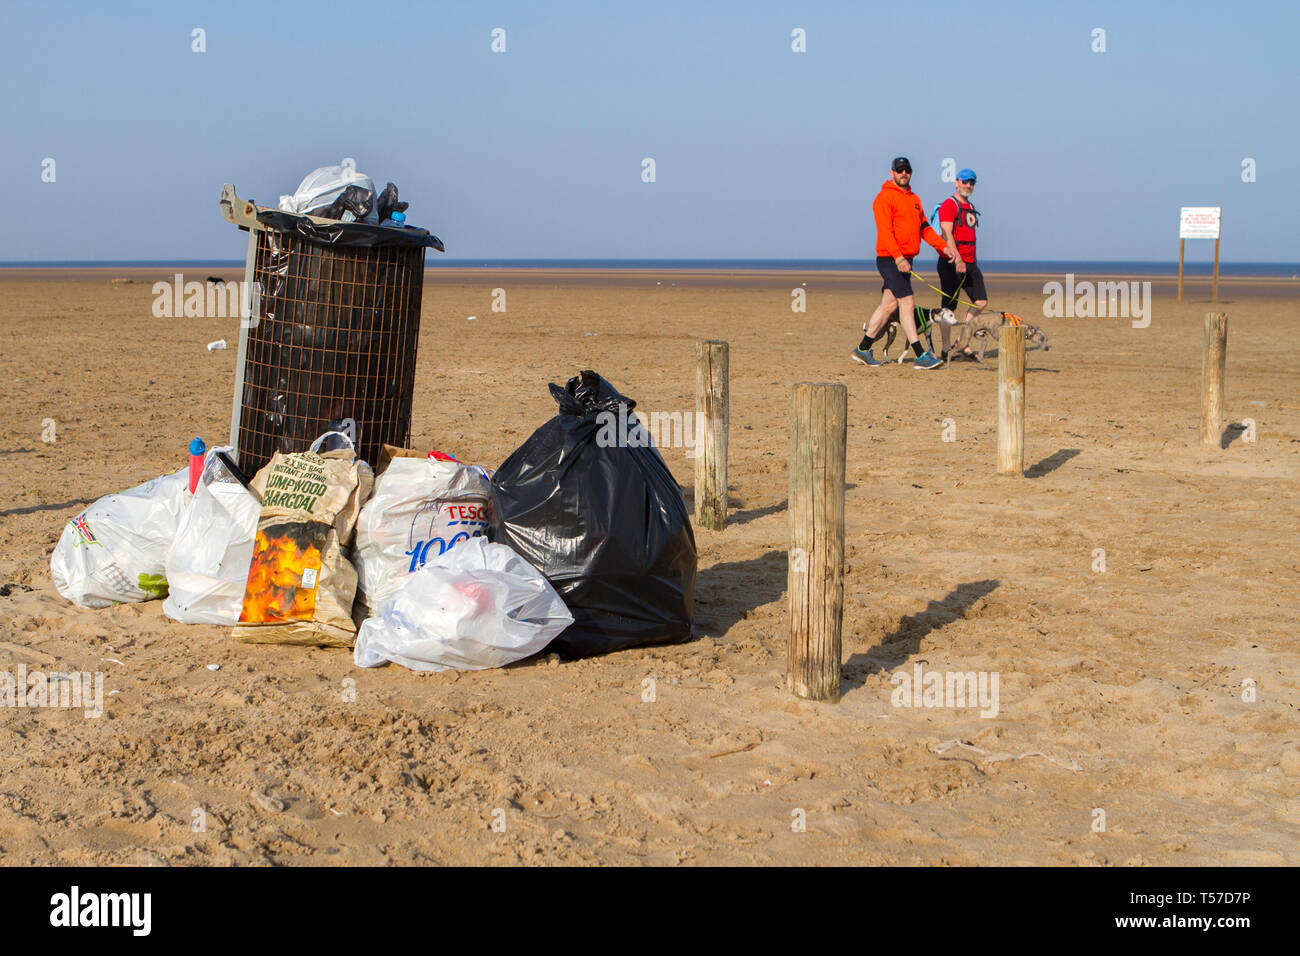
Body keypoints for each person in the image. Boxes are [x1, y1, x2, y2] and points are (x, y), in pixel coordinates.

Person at [852, 156, 960, 370]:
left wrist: (943, 247)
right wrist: (899, 257)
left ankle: (863, 349)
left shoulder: (914, 200)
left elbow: (925, 229)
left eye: (907, 171)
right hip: (890, 258)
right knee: (907, 302)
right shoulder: (883, 198)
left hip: (906, 260)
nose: (903, 174)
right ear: (892, 173)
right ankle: (921, 355)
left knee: (889, 304)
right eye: (899, 170)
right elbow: (885, 232)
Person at [934, 168, 988, 362]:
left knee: (981, 301)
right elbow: (946, 232)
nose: (968, 185)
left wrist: (967, 261)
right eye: (965, 182)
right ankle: (946, 348)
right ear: (956, 182)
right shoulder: (950, 204)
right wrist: (957, 258)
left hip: (970, 263)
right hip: (951, 263)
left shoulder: (970, 205)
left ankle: (961, 342)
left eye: (972, 182)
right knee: (948, 308)